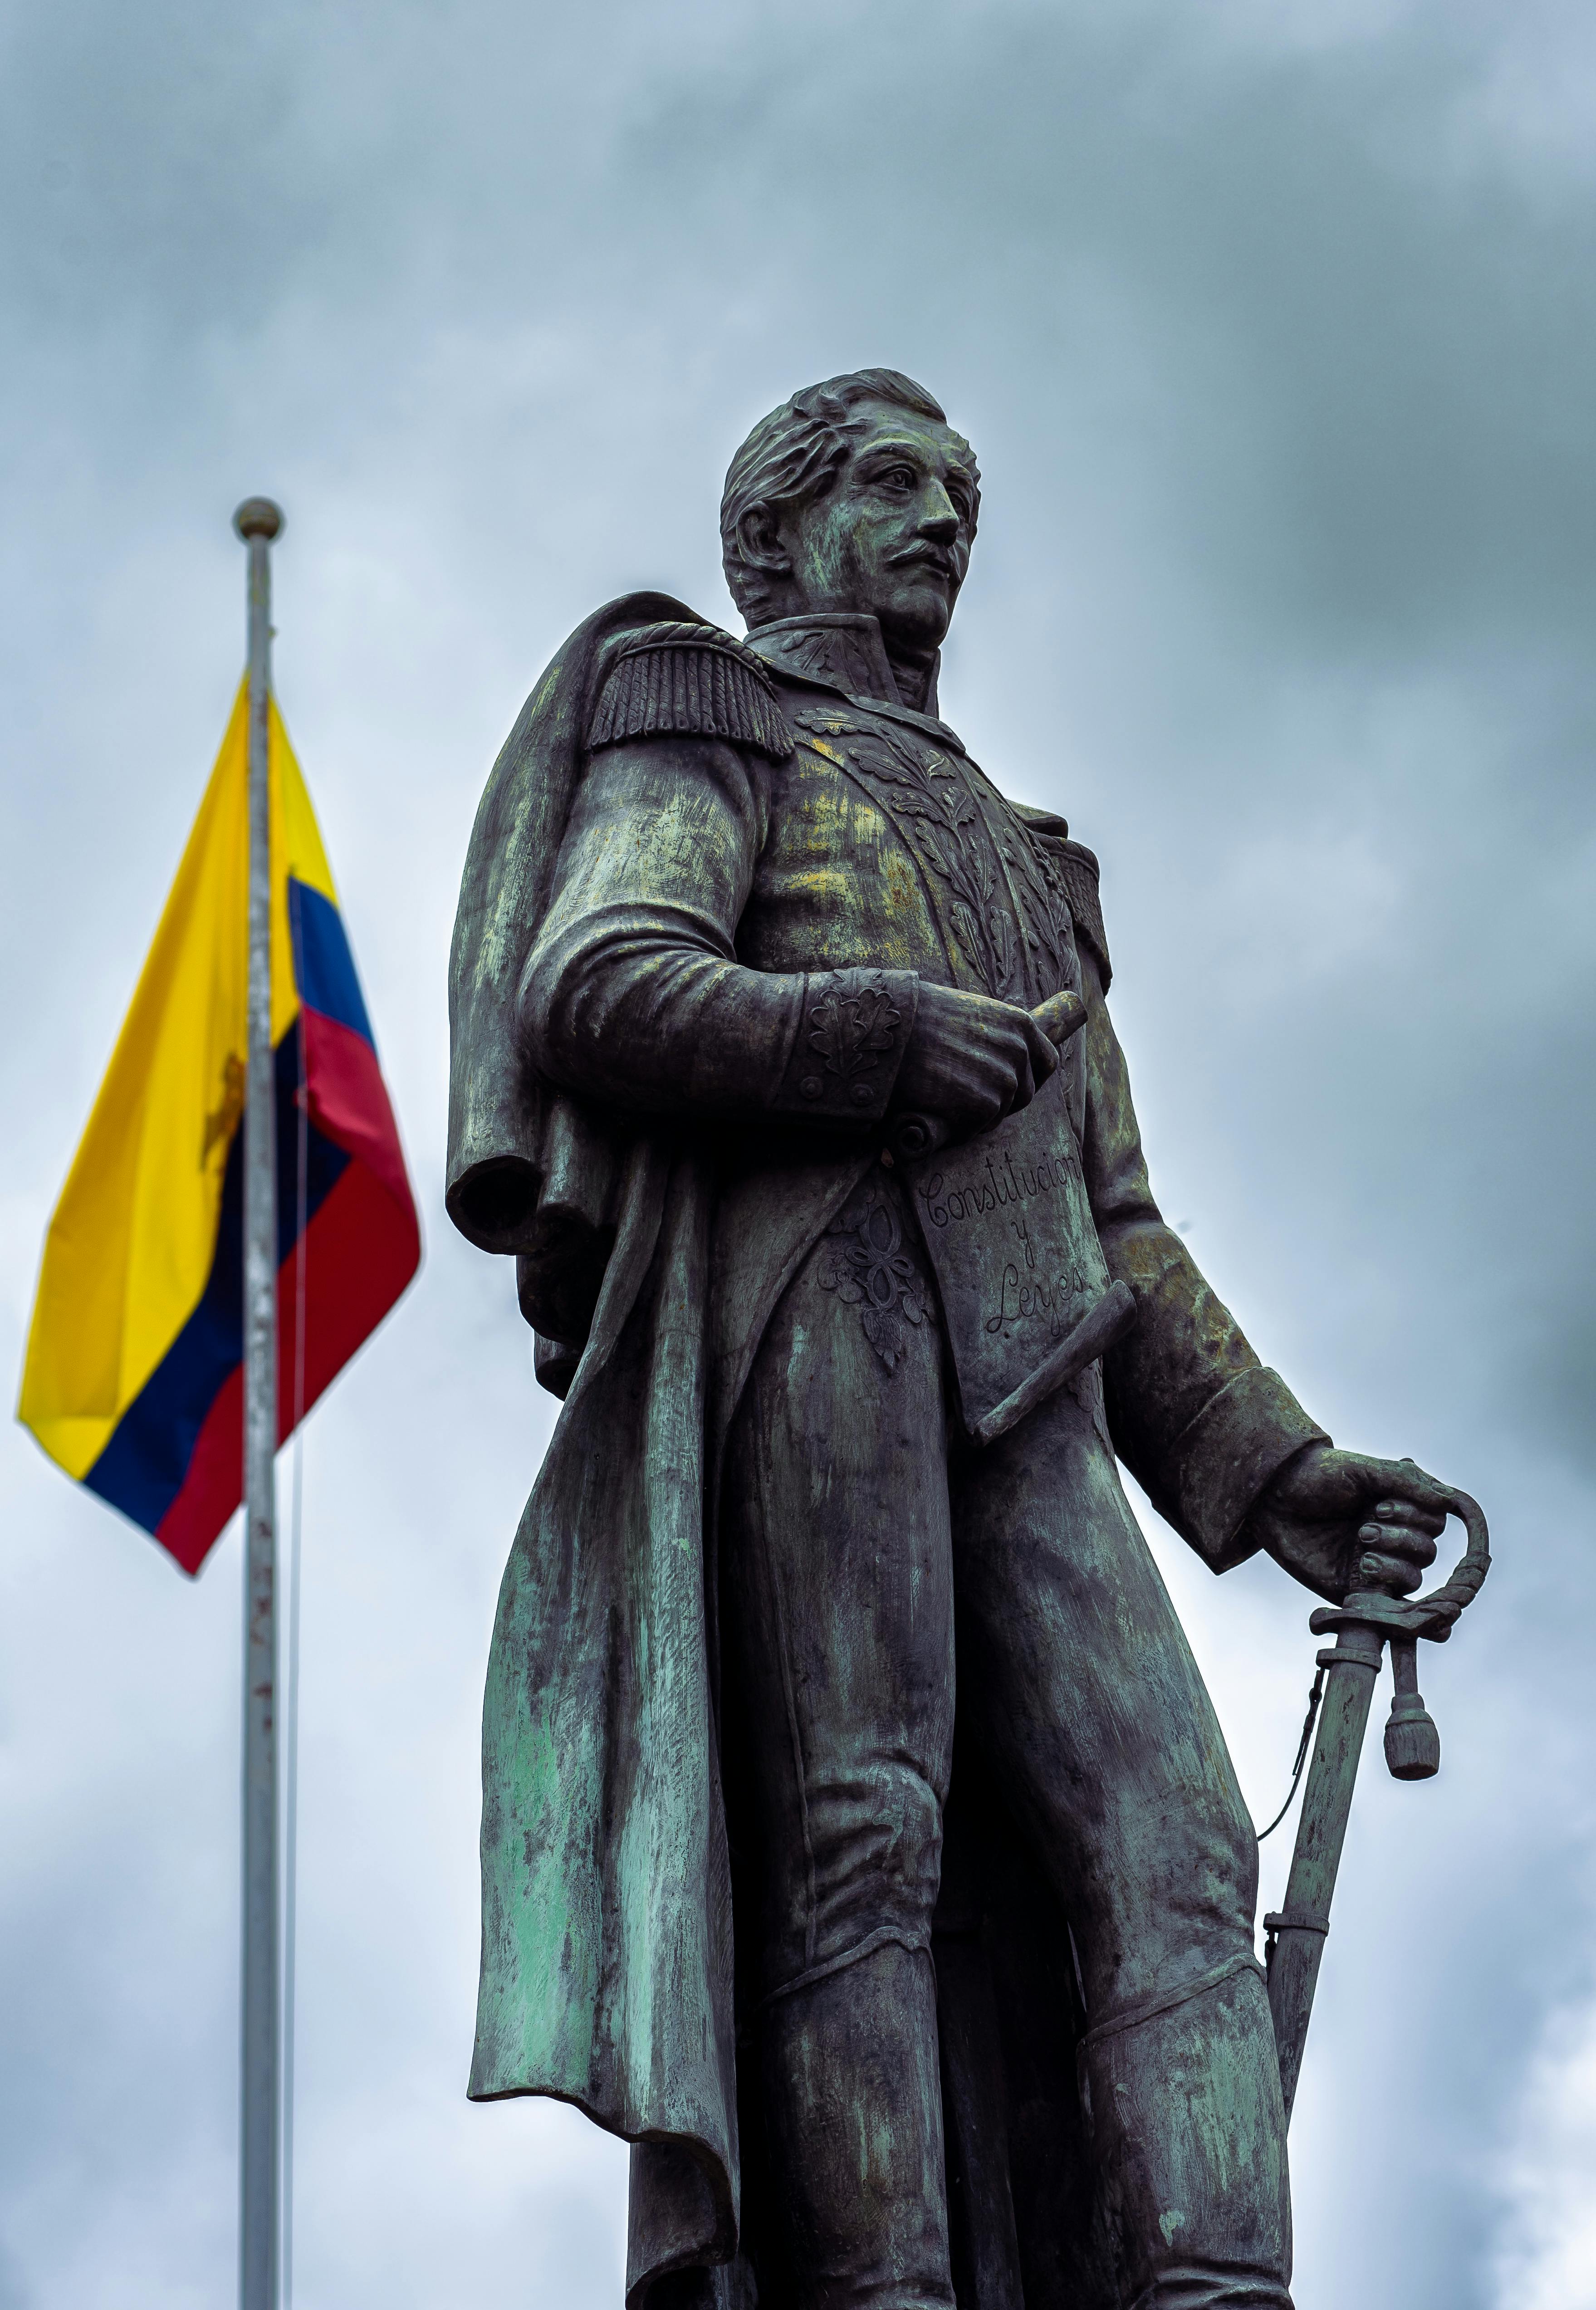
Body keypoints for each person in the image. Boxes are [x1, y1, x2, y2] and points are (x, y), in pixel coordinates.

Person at [446, 369, 1464, 2310]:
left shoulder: (1028, 852)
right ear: (776, 534)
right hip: (815, 1303)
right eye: (897, 483)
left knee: (1176, 1843)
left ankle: (1215, 2290)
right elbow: (601, 974)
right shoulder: (703, 705)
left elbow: (1117, 1217)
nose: (943, 520)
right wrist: (875, 1038)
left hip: (1032, 1353)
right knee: (863, 1845)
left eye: (964, 495)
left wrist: (1277, 1473)